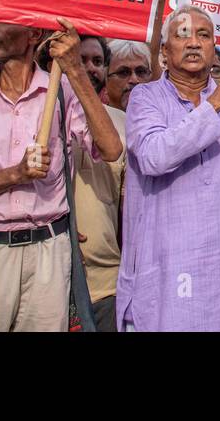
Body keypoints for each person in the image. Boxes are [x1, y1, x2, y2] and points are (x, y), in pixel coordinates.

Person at [0, 18, 122, 332]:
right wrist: (16, 174)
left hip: (50, 253)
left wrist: (74, 69)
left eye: (1, 24)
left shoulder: (62, 93)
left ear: (33, 33)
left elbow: (110, 149)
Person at [116, 7, 220, 331]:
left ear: (213, 47)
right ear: (164, 52)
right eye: (182, 35)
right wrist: (216, 104)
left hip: (217, 267)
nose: (193, 43)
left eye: (203, 35)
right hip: (165, 266)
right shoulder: (144, 97)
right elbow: (153, 156)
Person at [72, 34, 128, 332]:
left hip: (107, 280)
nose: (89, 68)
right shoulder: (41, 112)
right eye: (79, 60)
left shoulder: (121, 122)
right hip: (53, 273)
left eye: (97, 62)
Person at [105, 40, 152, 112]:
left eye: (141, 71)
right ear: (105, 80)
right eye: (123, 72)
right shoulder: (89, 120)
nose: (134, 80)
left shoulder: (165, 120)